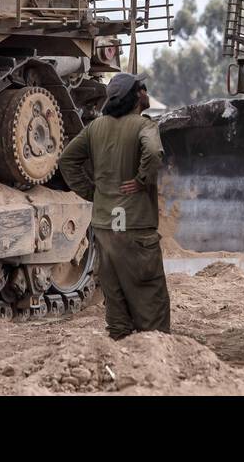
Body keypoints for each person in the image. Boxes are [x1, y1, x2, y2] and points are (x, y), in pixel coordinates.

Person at [56, 72, 170, 340]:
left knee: (115, 298)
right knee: (151, 301)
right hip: (135, 228)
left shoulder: (96, 127)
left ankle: (120, 351)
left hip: (105, 227)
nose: (146, 92)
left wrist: (93, 193)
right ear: (136, 96)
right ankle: (155, 360)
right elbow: (153, 153)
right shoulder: (145, 126)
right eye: (143, 88)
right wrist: (142, 180)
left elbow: (66, 161)